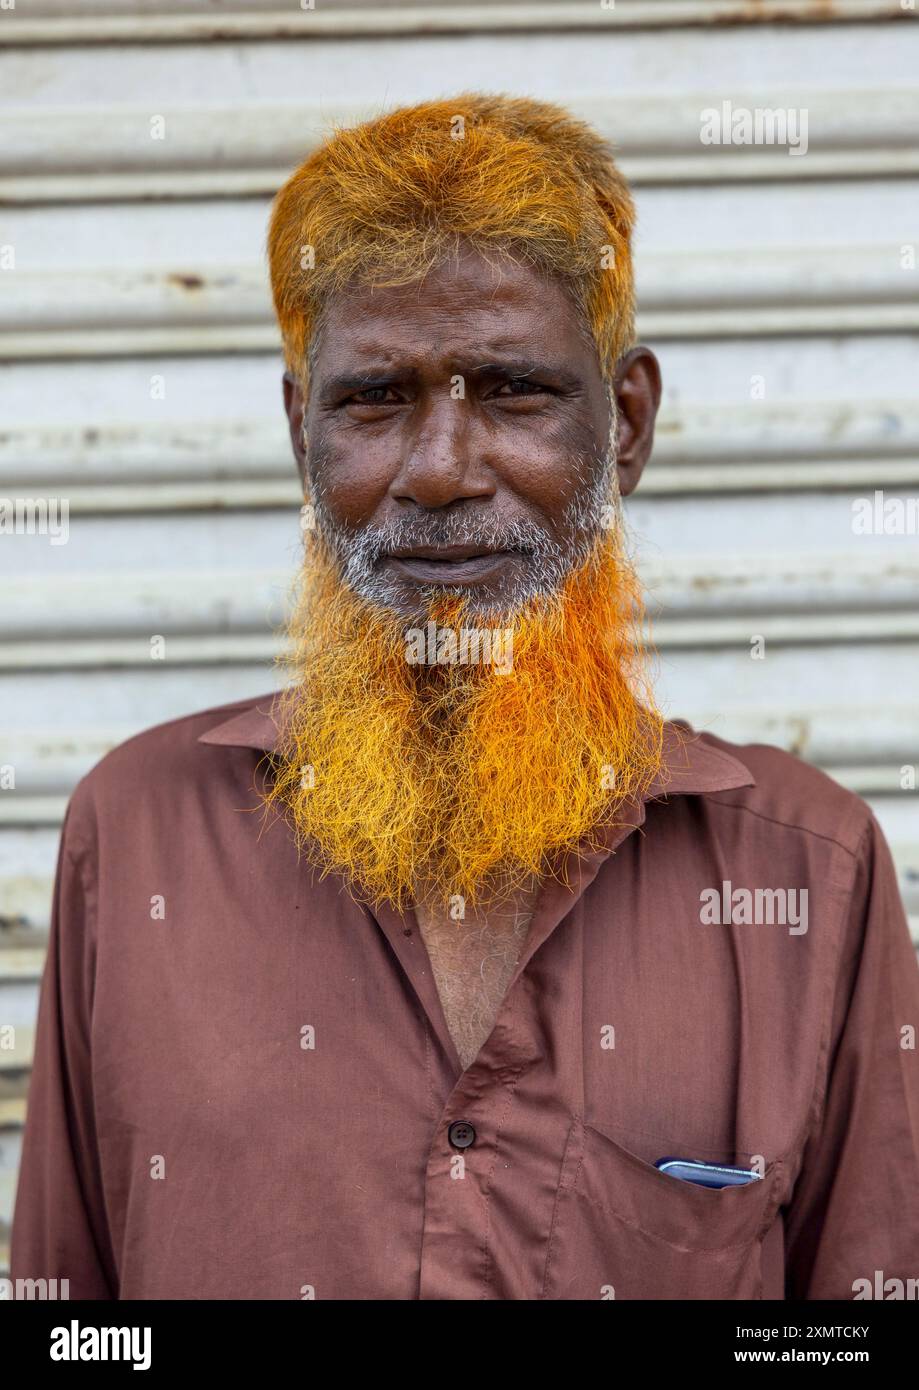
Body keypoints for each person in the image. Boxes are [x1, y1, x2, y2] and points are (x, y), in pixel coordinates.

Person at [11, 93, 919, 1300]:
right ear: (301, 437)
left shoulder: (813, 874)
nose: (439, 471)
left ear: (628, 425)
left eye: (513, 390)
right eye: (375, 400)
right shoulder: (134, 836)